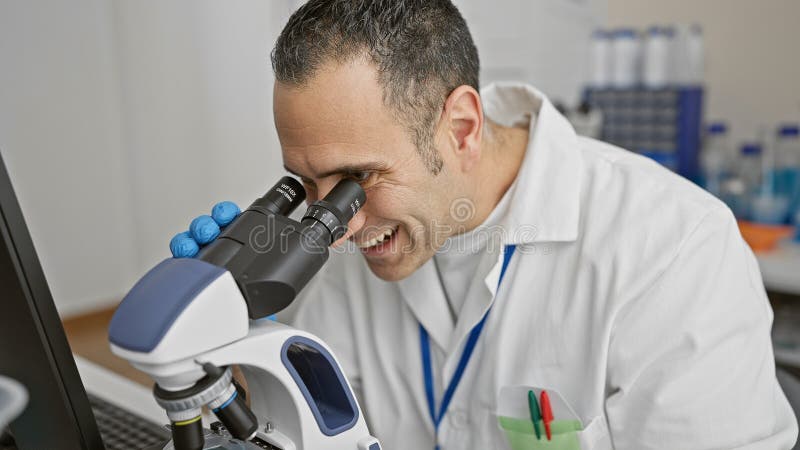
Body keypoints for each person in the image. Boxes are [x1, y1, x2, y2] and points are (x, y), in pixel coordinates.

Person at [169, 1, 798, 448]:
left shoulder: (674, 249)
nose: (337, 225)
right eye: (306, 188)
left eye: (358, 179)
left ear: (461, 127)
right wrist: (244, 375)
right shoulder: (347, 250)